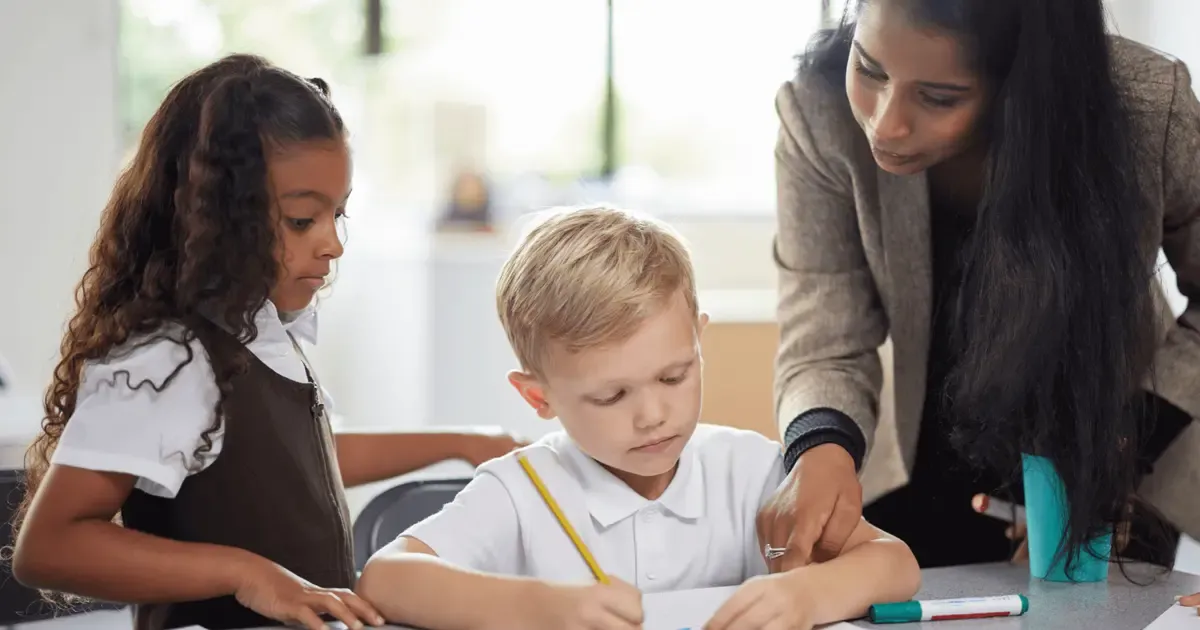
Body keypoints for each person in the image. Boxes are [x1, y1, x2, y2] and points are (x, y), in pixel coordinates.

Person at [9, 54, 521, 630]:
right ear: (216, 216)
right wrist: (247, 574)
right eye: (303, 220)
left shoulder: (260, 330)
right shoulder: (170, 359)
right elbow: (50, 547)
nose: (333, 244)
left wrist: (461, 441)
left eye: (338, 214)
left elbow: (300, 465)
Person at [756, 0, 1200, 579]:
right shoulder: (818, 115)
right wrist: (820, 449)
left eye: (939, 98)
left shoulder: (1146, 107)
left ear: (1022, 84)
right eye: (869, 68)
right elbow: (823, 331)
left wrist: (1117, 457)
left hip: (1119, 443)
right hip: (922, 464)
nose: (885, 125)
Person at [355, 206, 921, 630]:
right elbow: (386, 577)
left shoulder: (751, 470)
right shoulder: (522, 490)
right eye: (611, 396)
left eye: (674, 377)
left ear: (699, 342)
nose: (652, 415)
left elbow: (893, 561)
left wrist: (808, 595)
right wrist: (540, 608)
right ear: (538, 397)